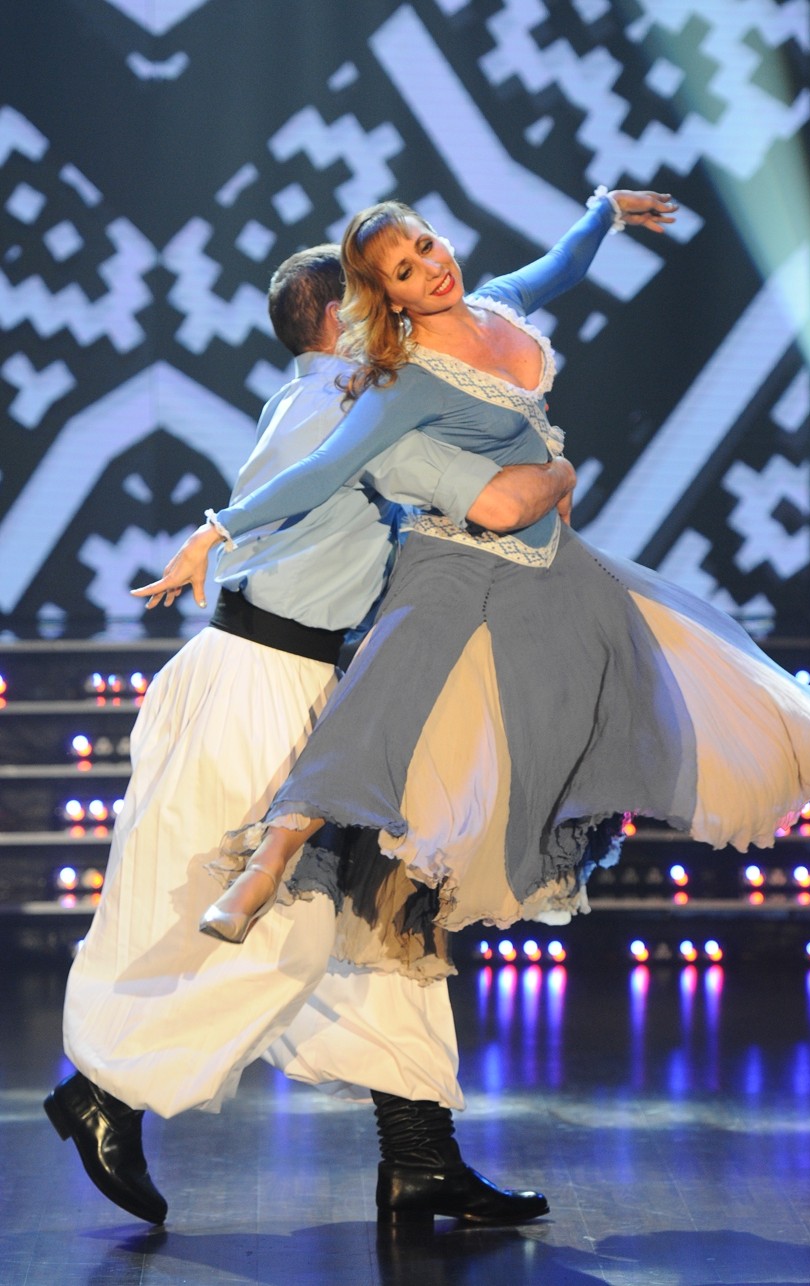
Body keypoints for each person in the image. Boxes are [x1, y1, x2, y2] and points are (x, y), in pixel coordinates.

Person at [144, 190, 810, 959]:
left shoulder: (499, 307)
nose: (430, 270)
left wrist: (604, 214)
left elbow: (559, 268)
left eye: (425, 246)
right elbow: (322, 469)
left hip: (551, 561)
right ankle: (267, 864)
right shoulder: (405, 380)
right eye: (406, 272)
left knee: (679, 664)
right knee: (385, 695)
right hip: (455, 561)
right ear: (392, 299)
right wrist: (216, 530)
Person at [44, 244, 580, 1228]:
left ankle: (419, 1155)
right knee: (284, 933)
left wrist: (593, 224)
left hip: (317, 686)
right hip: (265, 684)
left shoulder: (315, 389)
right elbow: (501, 500)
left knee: (388, 922)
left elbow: (505, 297)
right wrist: (556, 470)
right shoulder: (352, 402)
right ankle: (106, 1092)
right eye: (383, 298)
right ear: (341, 320)